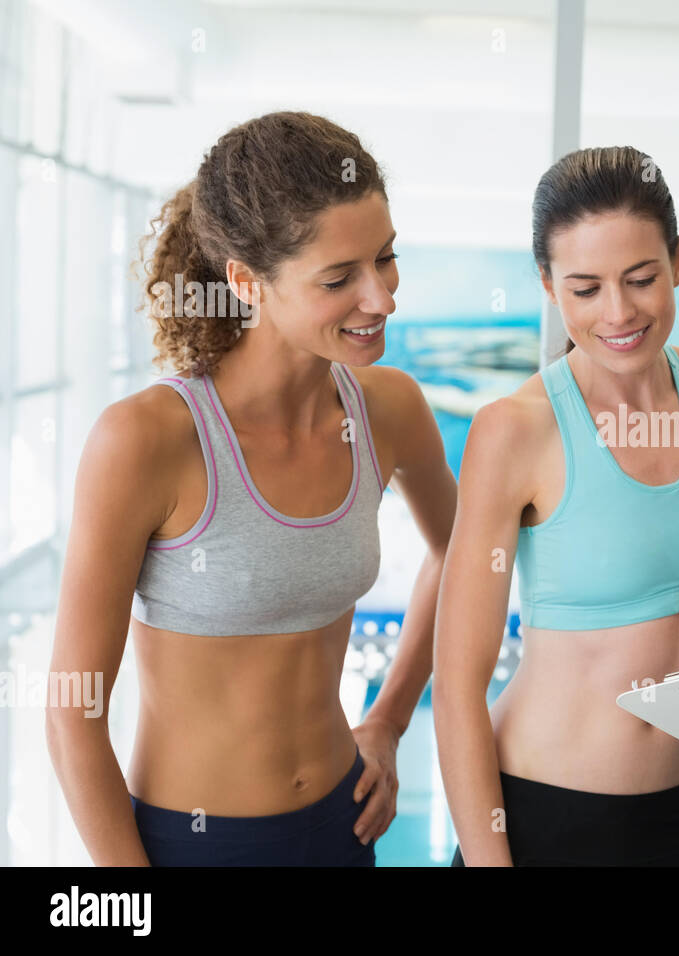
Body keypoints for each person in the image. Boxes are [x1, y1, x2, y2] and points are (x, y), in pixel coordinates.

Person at [46, 112, 458, 866]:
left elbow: (458, 555)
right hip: (189, 846)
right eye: (339, 279)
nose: (382, 298)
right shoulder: (147, 440)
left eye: (386, 258)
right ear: (245, 282)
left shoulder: (388, 408)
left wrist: (390, 720)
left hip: (343, 826)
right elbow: (73, 713)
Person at [436, 146, 679, 866]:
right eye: (584, 289)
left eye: (641, 279)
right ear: (547, 285)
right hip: (544, 815)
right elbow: (455, 686)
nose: (619, 314)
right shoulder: (516, 430)